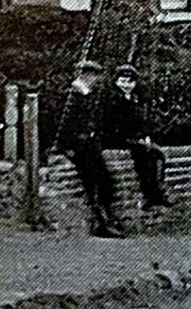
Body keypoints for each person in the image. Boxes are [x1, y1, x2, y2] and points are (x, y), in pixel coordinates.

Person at [51, 57, 125, 236]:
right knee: (93, 183)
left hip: (90, 144)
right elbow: (64, 123)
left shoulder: (88, 94)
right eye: (93, 76)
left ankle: (108, 220)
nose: (96, 80)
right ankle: (101, 224)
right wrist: (63, 147)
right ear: (85, 76)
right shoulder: (75, 96)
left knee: (105, 181)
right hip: (79, 146)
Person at [99, 67, 168, 211]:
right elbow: (112, 125)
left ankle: (158, 193)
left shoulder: (138, 99)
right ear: (116, 82)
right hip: (115, 138)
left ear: (135, 83)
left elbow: (143, 123)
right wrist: (136, 140)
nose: (126, 85)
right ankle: (148, 195)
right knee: (143, 155)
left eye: (130, 82)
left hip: (134, 138)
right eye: (122, 81)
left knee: (159, 155)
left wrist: (146, 136)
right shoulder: (111, 99)